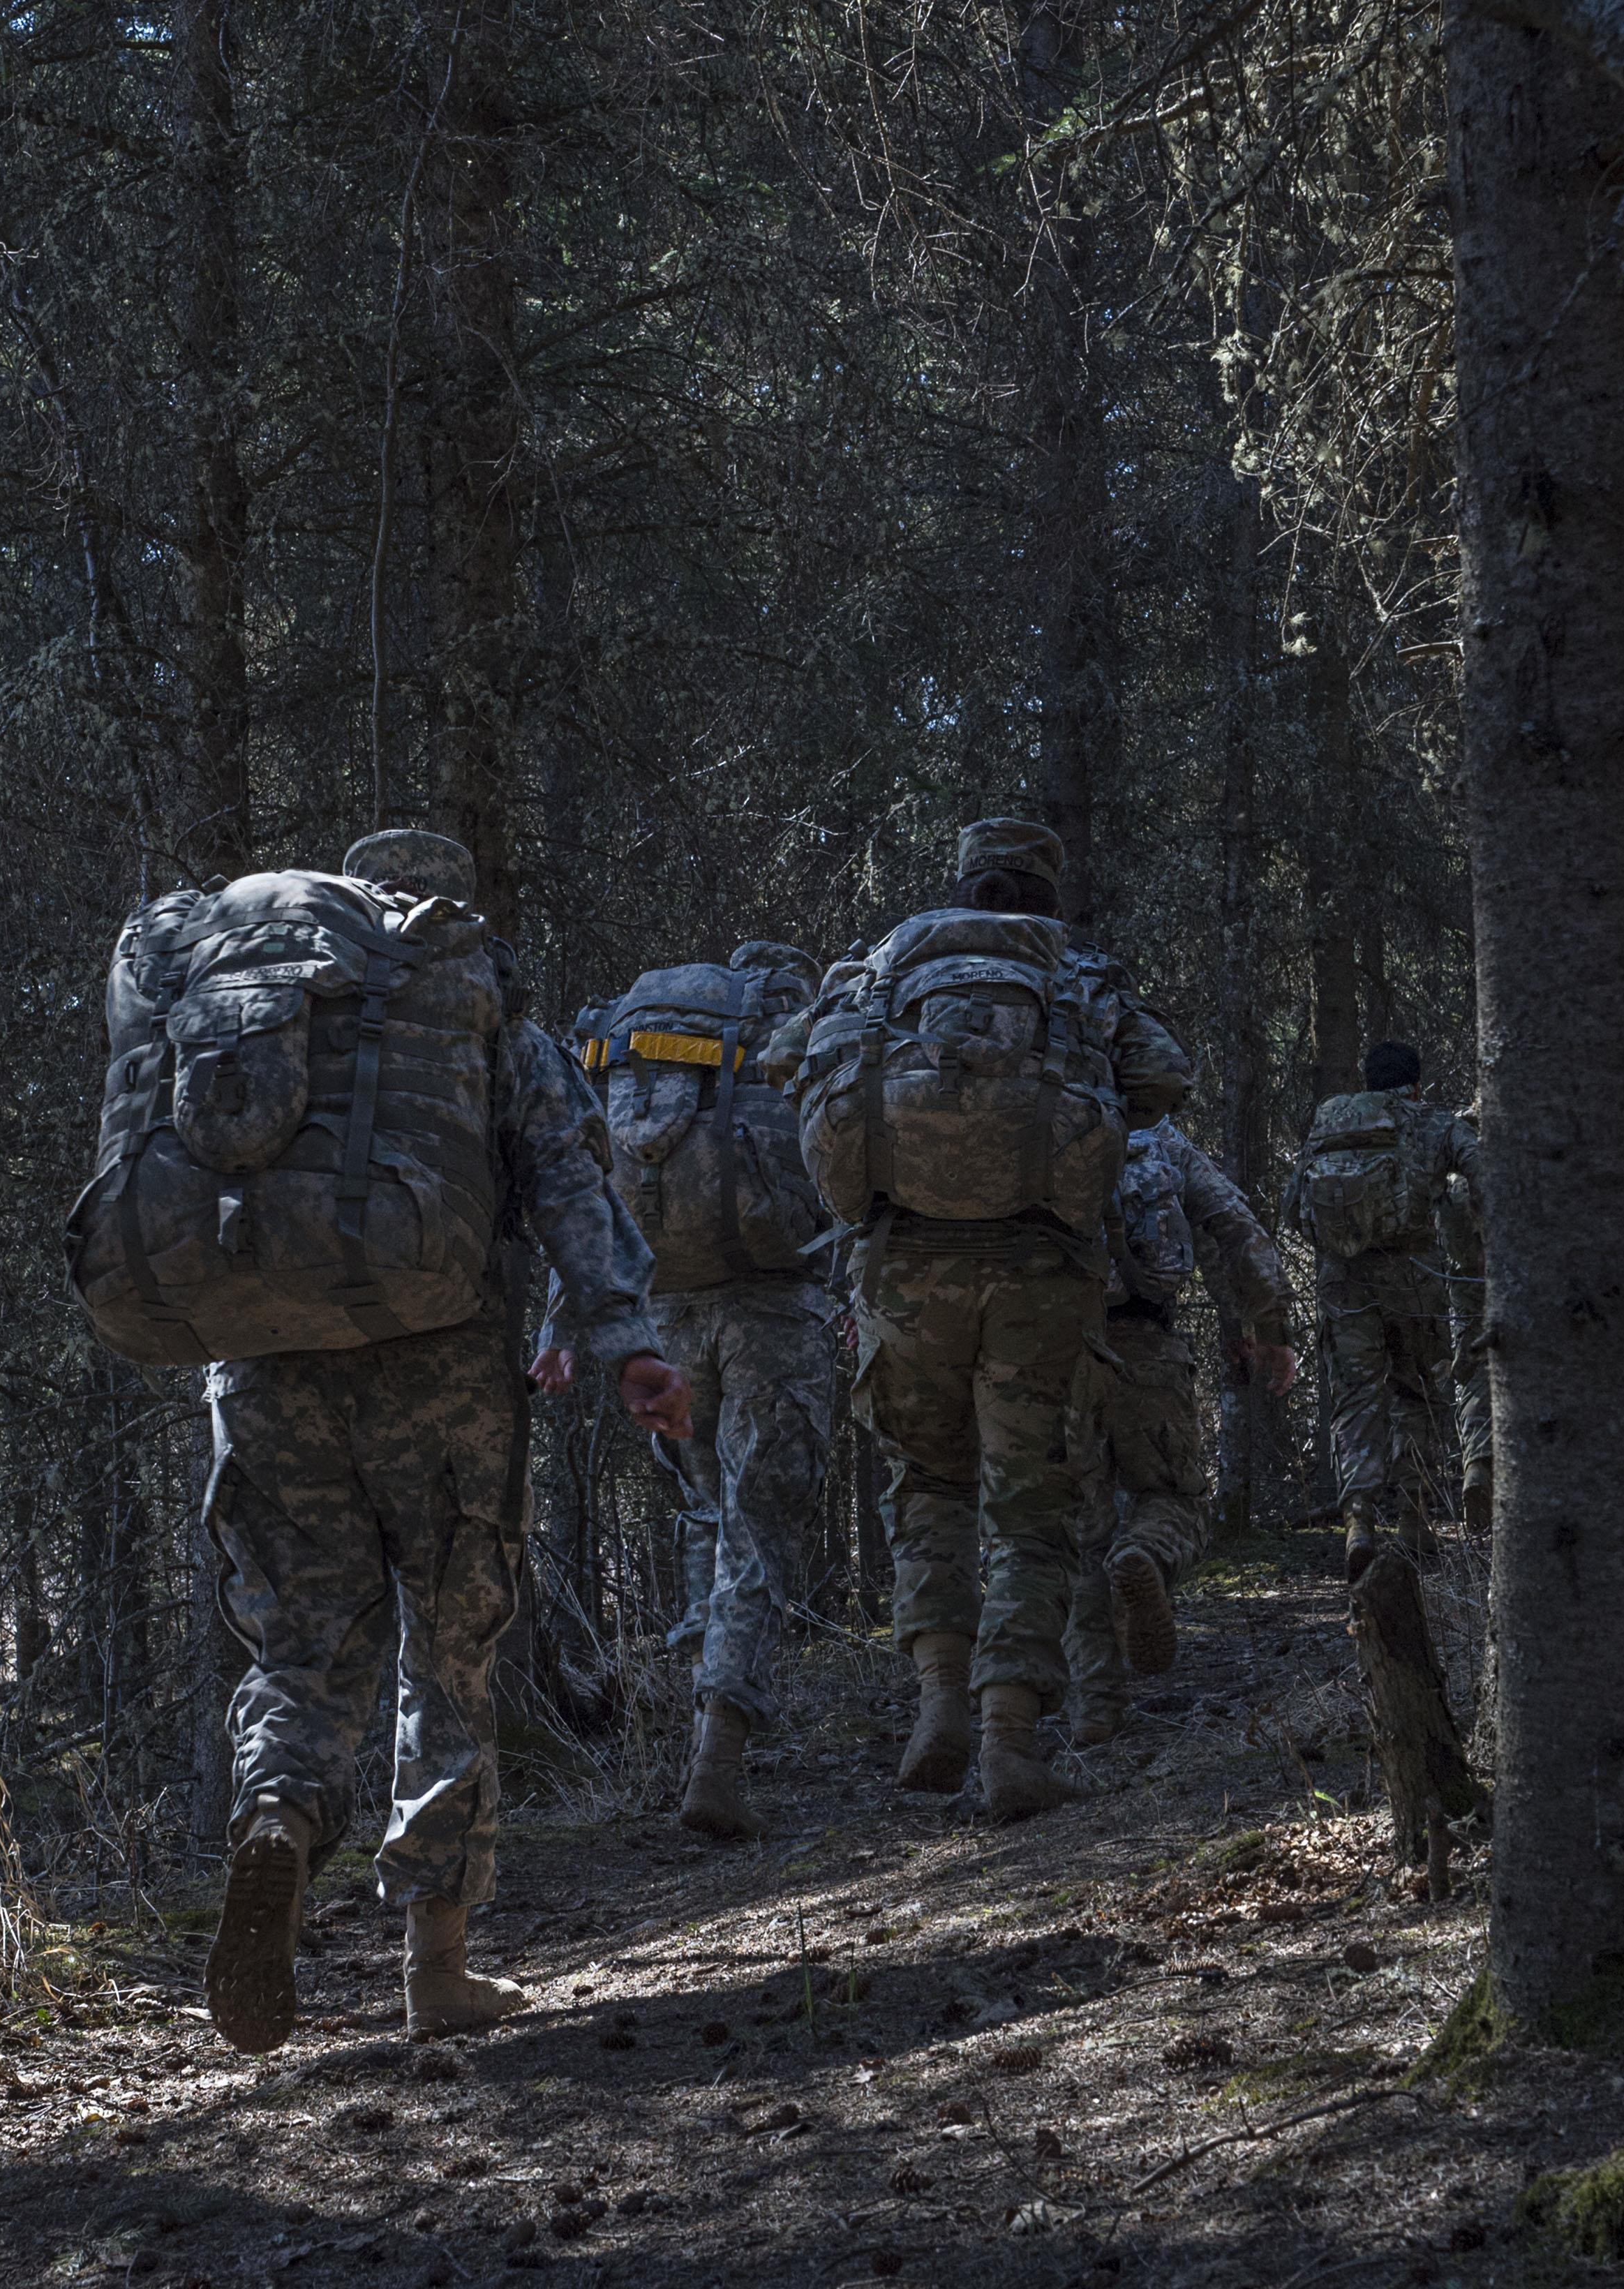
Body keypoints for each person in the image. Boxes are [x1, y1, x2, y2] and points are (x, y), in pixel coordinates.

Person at [156, 830, 692, 2055]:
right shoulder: (471, 1005)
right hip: (440, 1363)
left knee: (300, 1641)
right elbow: (566, 1176)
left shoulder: (256, 1010)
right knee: (448, 1651)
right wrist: (626, 1341)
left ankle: (279, 1824)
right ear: (442, 899)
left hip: (264, 1362)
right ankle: (434, 1966)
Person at [776, 819, 1191, 1820]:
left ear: (961, 882)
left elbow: (789, 1057)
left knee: (928, 1488)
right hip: (1042, 1266)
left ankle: (937, 1709)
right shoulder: (1080, 969)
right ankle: (1010, 1735)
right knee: (1031, 1505)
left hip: (902, 1267)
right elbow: (1165, 1079)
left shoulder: (885, 960)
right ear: (1046, 889)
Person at [536, 941, 837, 1842]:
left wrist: (560, 1325)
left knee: (711, 1511)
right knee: (758, 1529)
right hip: (774, 1303)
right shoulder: (780, 1034)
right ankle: (719, 1756)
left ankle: (698, 1733)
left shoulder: (640, 1049)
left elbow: (579, 1182)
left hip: (663, 1305)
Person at [1061, 1119, 1295, 1738]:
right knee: (1174, 1499)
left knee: (1078, 1525)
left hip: (1047, 1352)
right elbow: (1234, 1228)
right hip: (1145, 1342)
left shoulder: (1021, 1110)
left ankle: (1095, 1703)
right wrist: (1265, 1326)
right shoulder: (1157, 1139)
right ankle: (1146, 1554)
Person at [1281, 1041, 1477, 1579]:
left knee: (1355, 1400)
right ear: (1415, 1084)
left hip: (1343, 1284)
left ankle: (1359, 1523)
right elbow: (1484, 1172)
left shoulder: (1331, 1122)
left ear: (1369, 1081)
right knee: (1418, 1392)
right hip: (1415, 1281)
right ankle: (1415, 1521)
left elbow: (1292, 1207)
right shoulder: (1431, 1121)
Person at [1438, 1094, 1491, 1537]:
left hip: (1466, 1277)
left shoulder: (1455, 1137)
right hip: (1514, 1268)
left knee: (1475, 1367)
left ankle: (1477, 1467)